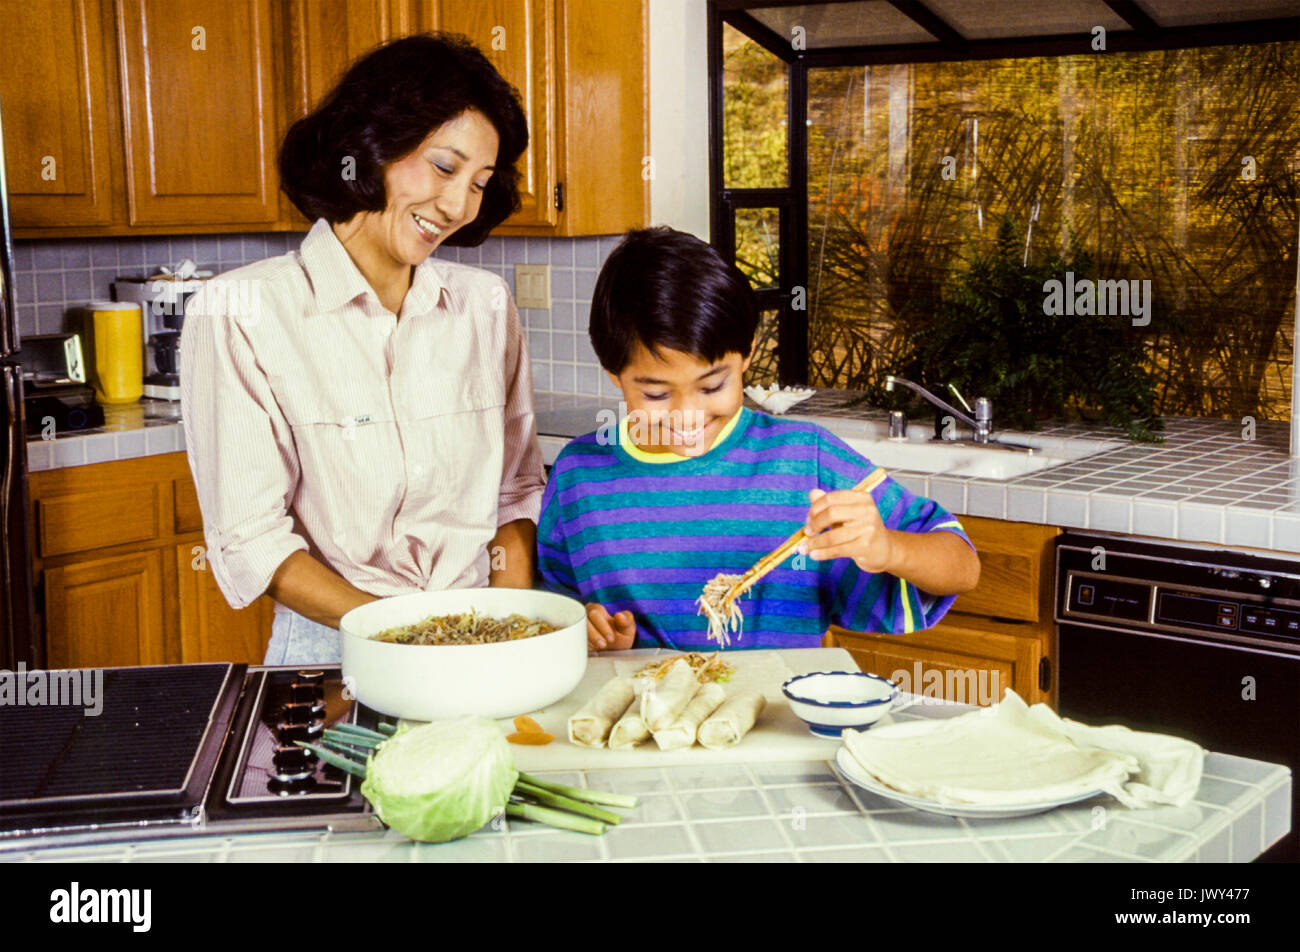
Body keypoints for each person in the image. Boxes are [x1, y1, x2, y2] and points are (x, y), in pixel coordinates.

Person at [180, 34, 545, 665]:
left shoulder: (485, 307)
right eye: (443, 166)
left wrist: (503, 632)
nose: (458, 205)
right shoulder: (241, 312)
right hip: (333, 654)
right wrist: (406, 641)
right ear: (372, 146)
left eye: (480, 182)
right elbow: (251, 542)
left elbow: (515, 493)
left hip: (477, 642)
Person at [537, 227, 981, 651]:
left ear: (747, 353)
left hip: (779, 718)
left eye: (712, 386)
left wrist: (886, 546)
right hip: (640, 720)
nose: (688, 415)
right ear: (615, 375)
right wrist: (595, 636)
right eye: (655, 393)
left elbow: (962, 566)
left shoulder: (807, 459)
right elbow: (557, 610)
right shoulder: (579, 477)